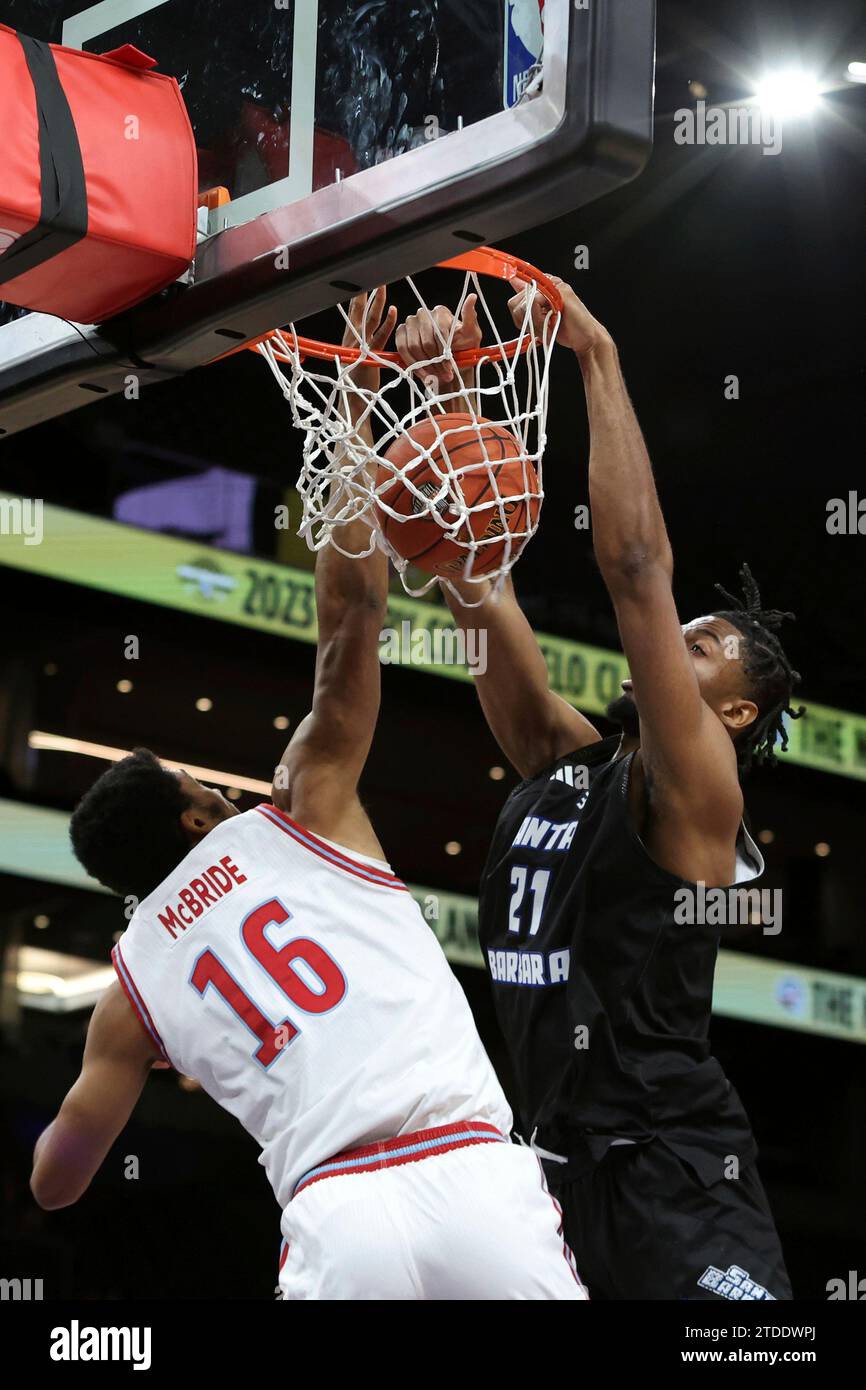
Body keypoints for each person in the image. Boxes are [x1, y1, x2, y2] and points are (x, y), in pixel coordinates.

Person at [29, 290, 586, 1303]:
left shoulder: (129, 988)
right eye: (203, 783)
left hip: (333, 1215)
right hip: (466, 1168)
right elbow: (348, 623)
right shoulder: (302, 805)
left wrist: (162, 1049)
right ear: (197, 815)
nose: (220, 789)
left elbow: (57, 1181)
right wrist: (357, 403)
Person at [397, 278, 801, 1301]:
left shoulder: (699, 788)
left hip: (671, 1170)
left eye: (703, 645)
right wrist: (446, 411)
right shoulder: (568, 763)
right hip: (548, 1170)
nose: (676, 643)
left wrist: (596, 358)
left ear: (737, 714)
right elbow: (472, 574)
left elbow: (632, 569)